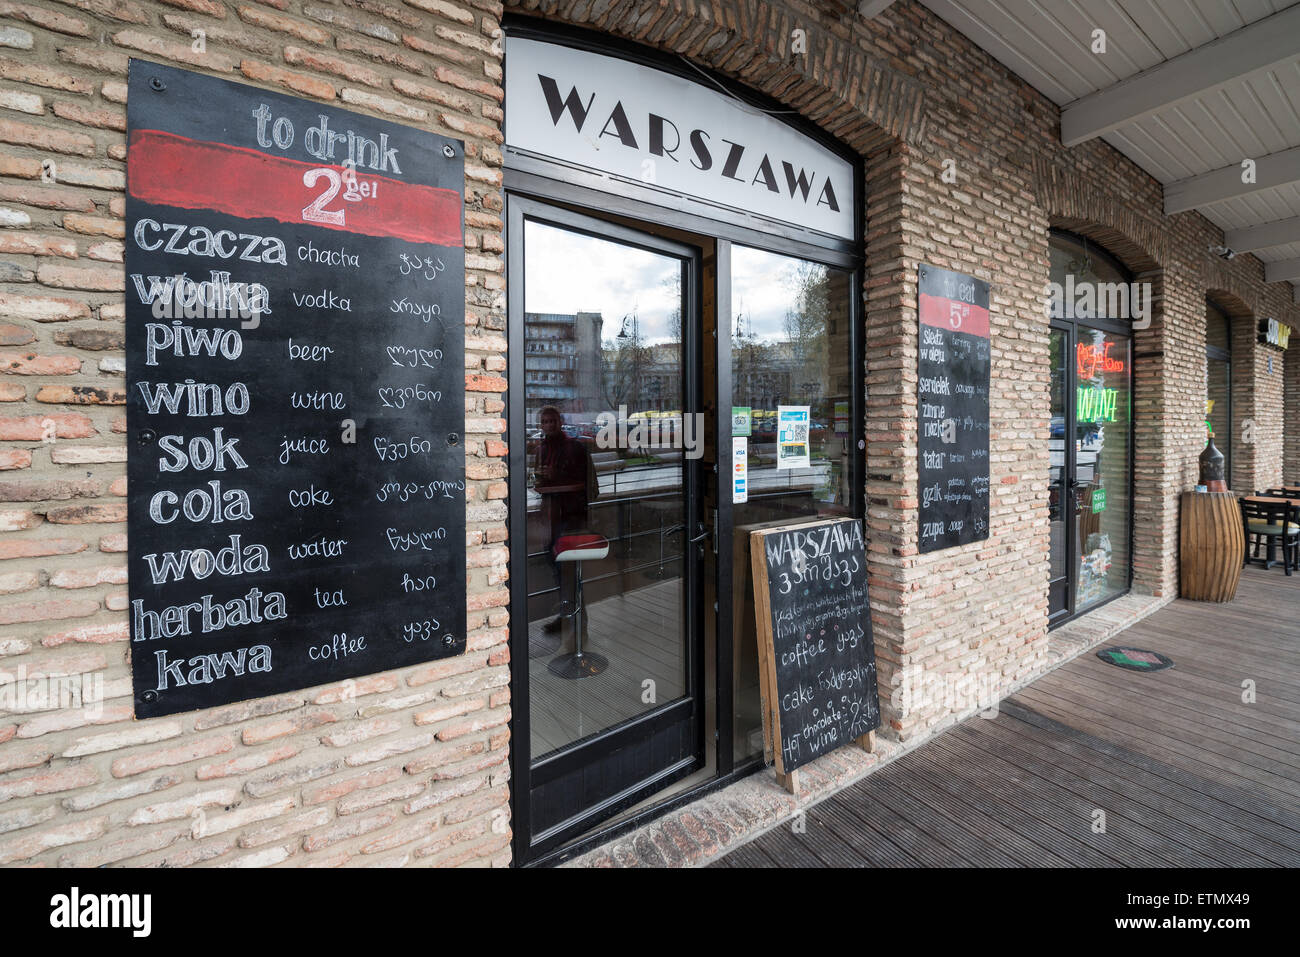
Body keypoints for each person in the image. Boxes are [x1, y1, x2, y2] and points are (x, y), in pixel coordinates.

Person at [532, 406, 598, 634]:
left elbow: (585, 484)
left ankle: (580, 621)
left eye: (552, 421)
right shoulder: (541, 449)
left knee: (570, 571)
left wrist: (555, 477)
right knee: (558, 571)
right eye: (545, 422)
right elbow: (539, 483)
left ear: (560, 422)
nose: (549, 425)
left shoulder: (574, 448)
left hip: (570, 518)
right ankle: (567, 616)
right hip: (550, 517)